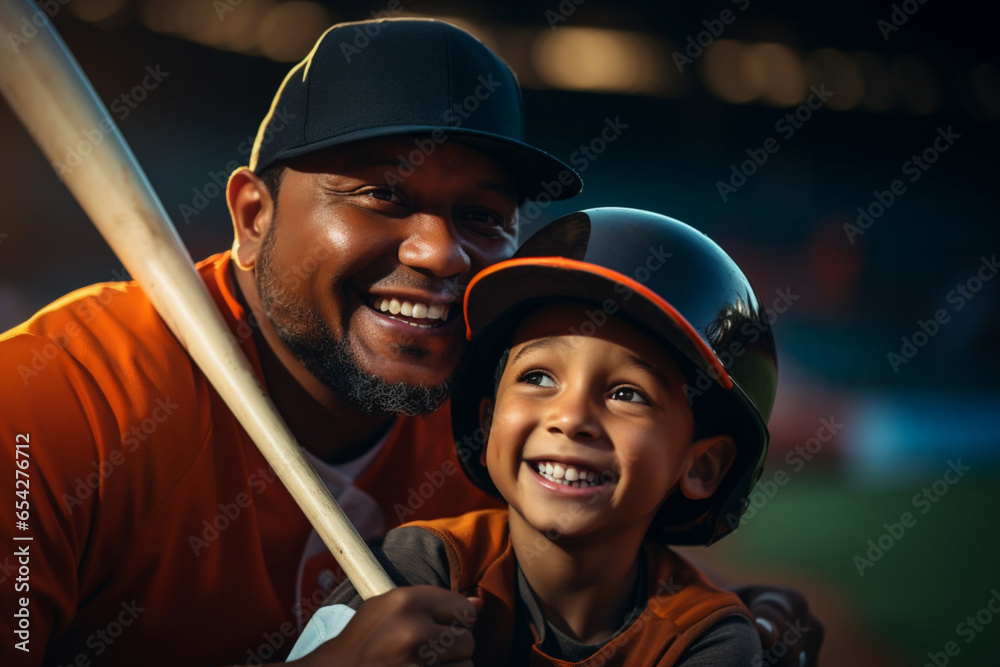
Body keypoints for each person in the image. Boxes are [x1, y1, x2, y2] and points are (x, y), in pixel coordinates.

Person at [0, 19, 819, 666]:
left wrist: (672, 619)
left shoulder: (500, 410)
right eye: (382, 195)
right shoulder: (52, 406)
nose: (440, 252)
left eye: (482, 217)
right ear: (254, 218)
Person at [286, 207, 780, 666]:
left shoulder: (705, 638)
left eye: (628, 393)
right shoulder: (418, 566)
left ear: (702, 466)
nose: (570, 418)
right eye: (538, 377)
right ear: (487, 421)